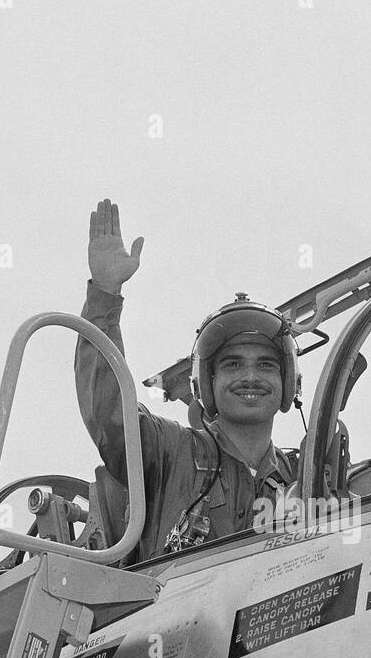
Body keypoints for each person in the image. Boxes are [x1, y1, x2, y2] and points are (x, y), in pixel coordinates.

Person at [73, 198, 305, 561]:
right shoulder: (169, 452)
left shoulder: (305, 479)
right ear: (205, 384)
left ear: (288, 382)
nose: (249, 376)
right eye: (231, 365)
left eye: (266, 365)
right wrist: (104, 294)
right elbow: (109, 412)